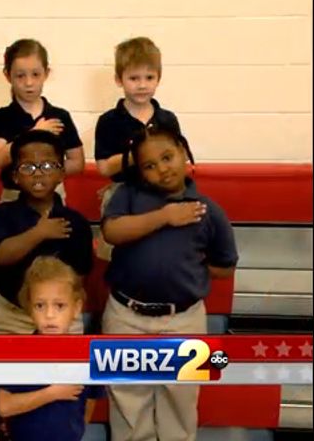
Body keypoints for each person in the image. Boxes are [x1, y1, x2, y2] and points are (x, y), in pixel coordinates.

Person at [101, 119, 237, 441]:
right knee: (127, 402)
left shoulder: (208, 210)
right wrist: (165, 216)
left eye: (167, 157)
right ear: (139, 171)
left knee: (181, 401)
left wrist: (186, 270)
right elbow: (112, 231)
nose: (162, 169)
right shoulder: (127, 195)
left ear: (183, 152)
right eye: (149, 166)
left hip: (184, 320)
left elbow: (225, 266)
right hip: (125, 316)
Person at [0, 130, 93, 334]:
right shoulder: (3, 214)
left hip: (62, 315)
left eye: (47, 166)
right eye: (28, 167)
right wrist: (38, 233)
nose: (38, 173)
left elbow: (80, 275)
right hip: (11, 315)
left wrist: (57, 307)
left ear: (61, 173)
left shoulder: (75, 221)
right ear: (15, 176)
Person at [0, 257, 102, 441]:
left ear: (76, 308)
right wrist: (52, 393)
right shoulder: (17, 354)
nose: (49, 315)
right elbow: (4, 406)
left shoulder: (88, 356)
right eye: (40, 306)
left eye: (59, 306)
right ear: (30, 308)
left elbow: (91, 400)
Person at [94, 36, 180, 260]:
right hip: (121, 195)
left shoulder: (167, 120)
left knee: (159, 253)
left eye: (149, 77)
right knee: (115, 256)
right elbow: (104, 168)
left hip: (161, 193)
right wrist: (138, 154)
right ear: (118, 79)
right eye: (134, 78)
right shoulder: (109, 121)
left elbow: (179, 161)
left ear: (159, 78)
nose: (142, 85)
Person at [0, 39, 84, 203]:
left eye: (35, 74)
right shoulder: (2, 116)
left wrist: (46, 172)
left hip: (53, 194)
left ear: (46, 73)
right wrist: (34, 133)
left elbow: (77, 162)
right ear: (7, 75)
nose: (29, 83)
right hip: (14, 196)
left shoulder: (60, 116)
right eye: (20, 76)